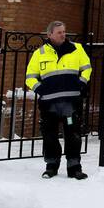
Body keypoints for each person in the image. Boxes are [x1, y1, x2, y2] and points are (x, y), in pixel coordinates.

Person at [25, 20, 91, 180]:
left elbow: (87, 68)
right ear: (49, 35)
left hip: (71, 104)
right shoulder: (39, 53)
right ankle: (51, 166)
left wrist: (81, 83)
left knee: (73, 135)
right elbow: (30, 77)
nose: (63, 34)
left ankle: (74, 167)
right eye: (59, 32)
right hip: (49, 104)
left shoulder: (77, 48)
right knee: (50, 136)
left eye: (64, 31)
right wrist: (40, 89)